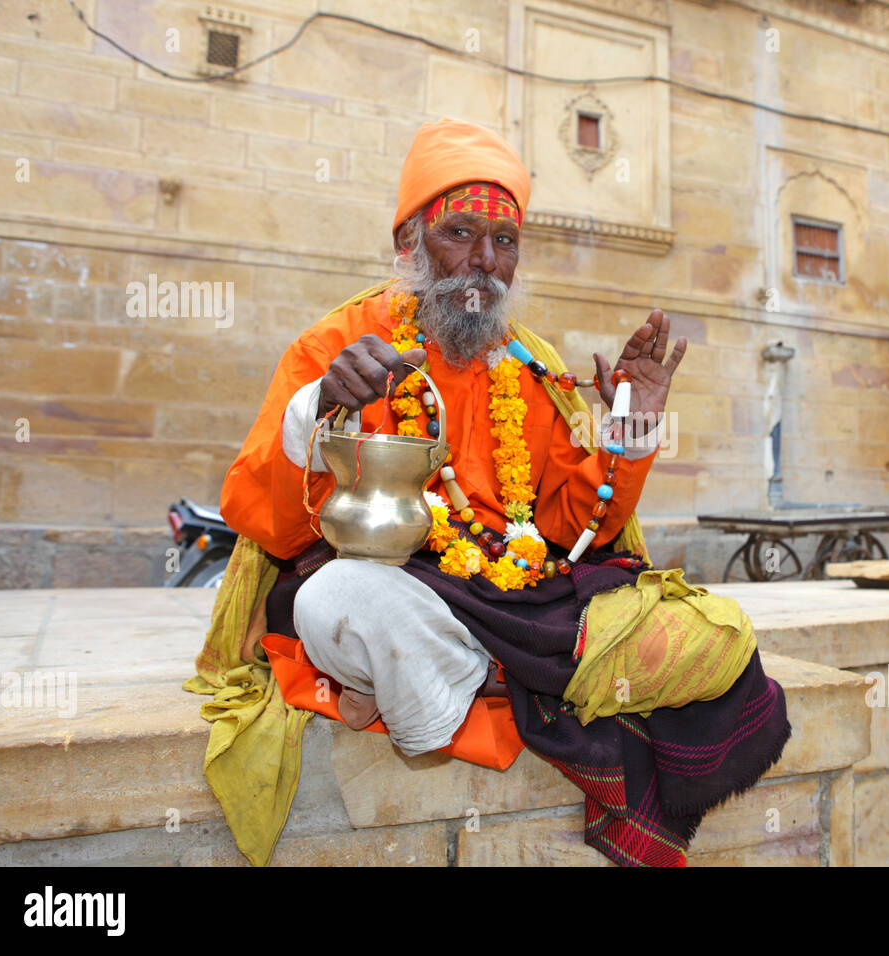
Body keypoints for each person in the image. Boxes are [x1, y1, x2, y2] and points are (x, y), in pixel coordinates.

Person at [219, 117, 790, 867]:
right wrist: (318, 407)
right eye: (460, 233)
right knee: (332, 602)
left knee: (719, 633)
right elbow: (262, 521)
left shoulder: (530, 367)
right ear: (410, 245)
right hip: (409, 588)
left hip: (520, 600)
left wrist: (629, 427)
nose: (483, 262)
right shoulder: (340, 346)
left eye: (505, 241)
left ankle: (475, 675)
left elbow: (574, 526)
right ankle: (502, 677)